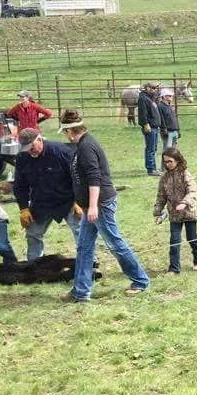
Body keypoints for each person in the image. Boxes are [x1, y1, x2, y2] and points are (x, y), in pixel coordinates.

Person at [59, 108, 150, 302]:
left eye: (66, 133)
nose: (67, 137)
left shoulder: (86, 147)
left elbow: (94, 177)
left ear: (70, 131)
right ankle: (81, 291)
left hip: (100, 205)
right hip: (89, 206)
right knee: (84, 248)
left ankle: (140, 280)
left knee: (115, 243)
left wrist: (92, 206)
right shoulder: (82, 145)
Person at [13, 127, 82, 260]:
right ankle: (34, 265)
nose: (30, 151)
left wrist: (79, 201)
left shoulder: (61, 152)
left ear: (39, 139)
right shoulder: (22, 158)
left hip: (67, 200)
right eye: (26, 149)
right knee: (33, 233)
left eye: (32, 147)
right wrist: (24, 208)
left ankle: (89, 263)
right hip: (41, 202)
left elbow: (79, 178)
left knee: (81, 230)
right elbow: (20, 185)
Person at [153, 148, 197, 273]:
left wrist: (184, 202)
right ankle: (174, 268)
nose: (167, 164)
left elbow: (192, 191)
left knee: (192, 238)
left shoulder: (185, 174)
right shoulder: (164, 178)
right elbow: (161, 196)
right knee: (174, 241)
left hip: (188, 213)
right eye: (165, 162)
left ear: (177, 160)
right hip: (174, 215)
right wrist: (157, 212)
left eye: (170, 161)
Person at [136, 83, 162, 176]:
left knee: (153, 148)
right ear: (147, 88)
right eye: (153, 88)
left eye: (155, 88)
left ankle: (153, 168)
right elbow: (143, 113)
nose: (155, 90)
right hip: (150, 127)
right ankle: (151, 169)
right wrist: (145, 124)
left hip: (154, 126)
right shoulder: (143, 98)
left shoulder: (149, 98)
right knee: (150, 148)